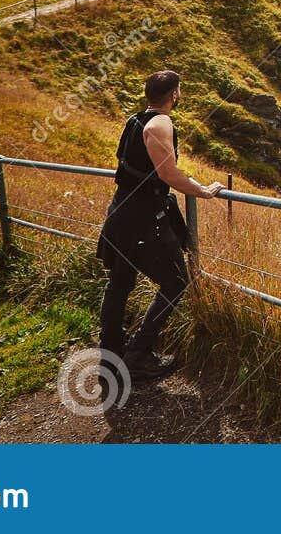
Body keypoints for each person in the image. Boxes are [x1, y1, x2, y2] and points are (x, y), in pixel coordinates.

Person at [96, 69, 223, 380]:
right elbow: (168, 173)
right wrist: (202, 191)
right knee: (177, 281)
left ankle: (110, 353)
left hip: (120, 211)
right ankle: (138, 353)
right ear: (174, 95)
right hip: (144, 219)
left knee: (119, 283)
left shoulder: (134, 120)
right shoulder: (161, 123)